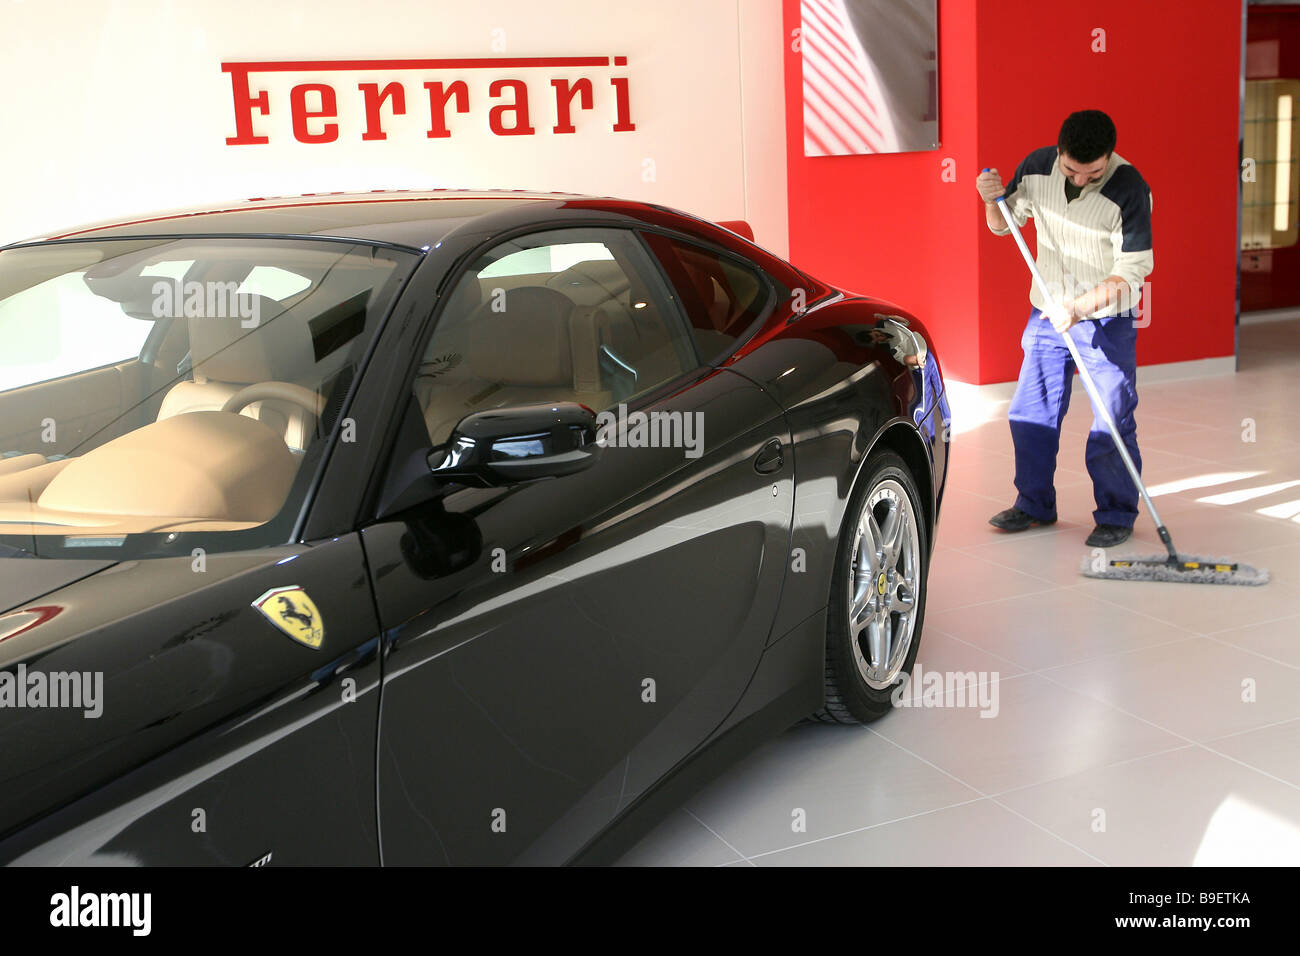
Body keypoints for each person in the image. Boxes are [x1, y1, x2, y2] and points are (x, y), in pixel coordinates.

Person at [976, 109, 1154, 548]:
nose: (1079, 179)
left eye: (1092, 173)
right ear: (1059, 152)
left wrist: (1078, 307)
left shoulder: (1130, 190)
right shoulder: (1038, 166)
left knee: (1111, 419)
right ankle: (1033, 503)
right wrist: (990, 200)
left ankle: (1116, 513)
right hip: (1047, 312)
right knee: (1030, 412)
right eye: (1071, 169)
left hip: (1106, 317)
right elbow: (1005, 225)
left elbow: (1132, 273)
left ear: (1109, 159)